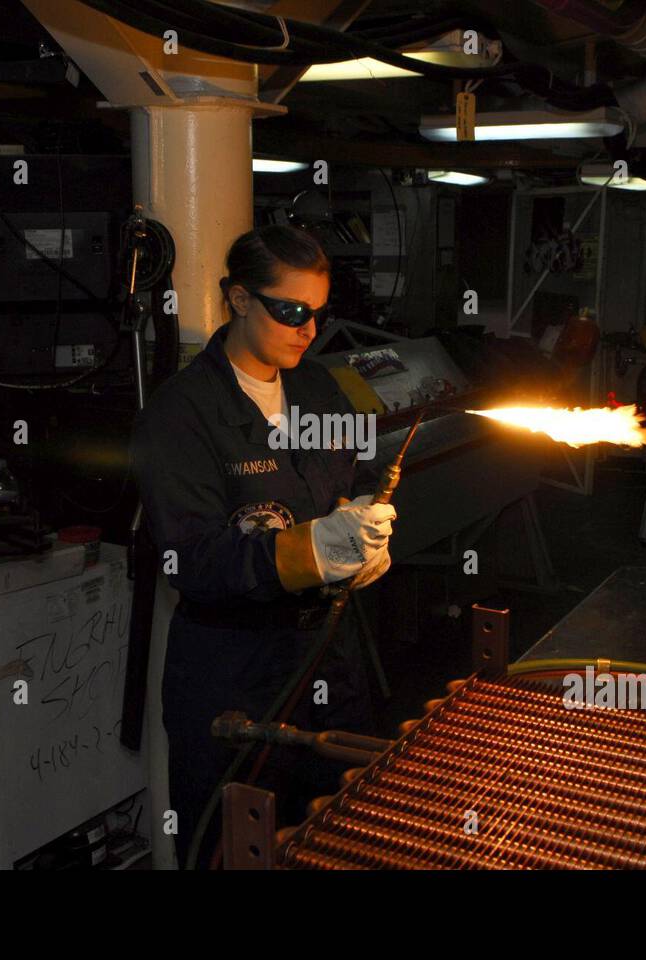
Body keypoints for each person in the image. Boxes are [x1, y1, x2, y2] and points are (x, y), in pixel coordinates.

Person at [130, 224, 396, 868]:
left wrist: (367, 528)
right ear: (239, 299)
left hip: (329, 657)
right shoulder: (181, 415)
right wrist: (314, 551)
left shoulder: (317, 388)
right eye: (291, 312)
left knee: (337, 835)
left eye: (318, 315)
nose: (308, 330)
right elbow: (190, 560)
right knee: (233, 846)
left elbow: (363, 471)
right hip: (233, 673)